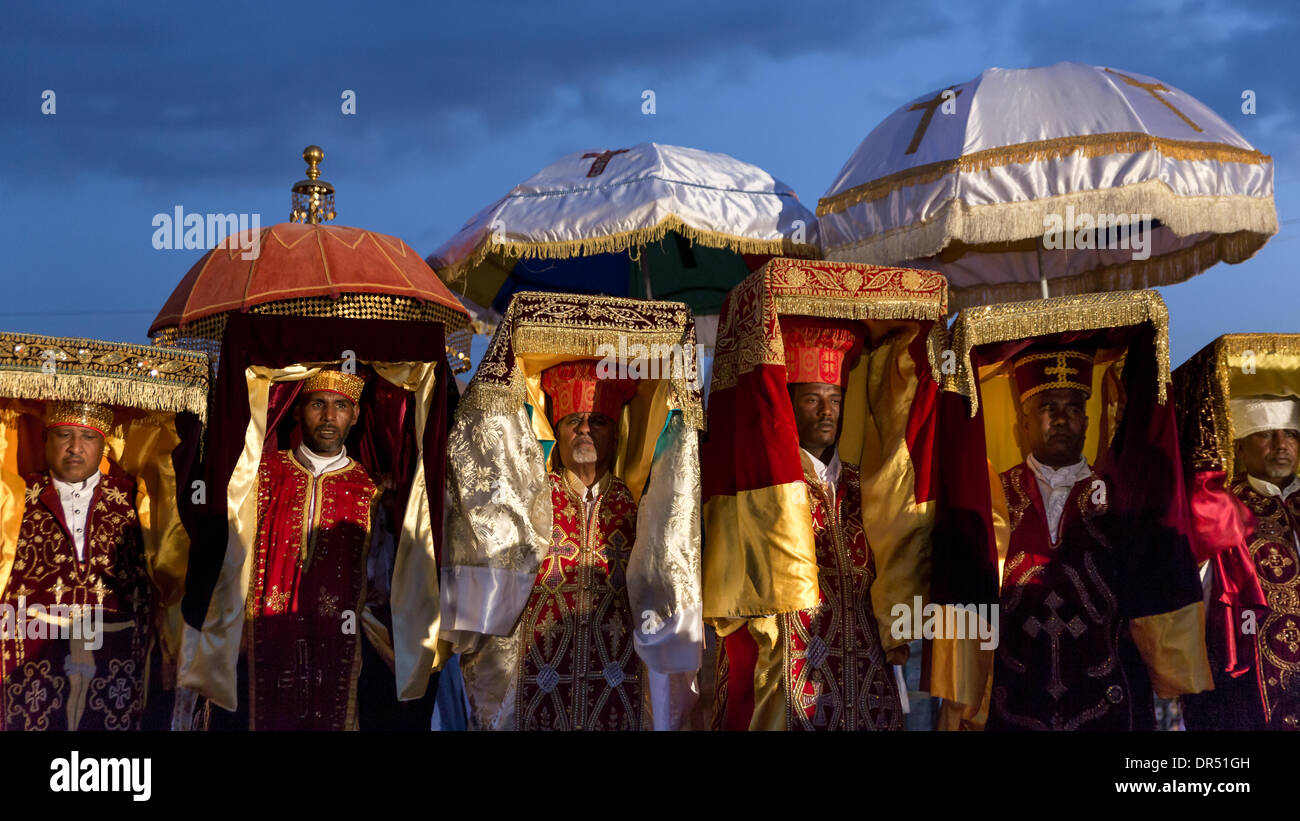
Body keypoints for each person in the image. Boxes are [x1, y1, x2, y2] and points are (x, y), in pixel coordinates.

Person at [988, 345, 1206, 730]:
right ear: (1023, 421)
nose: (1060, 419)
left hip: (1110, 702)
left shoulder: (1119, 498)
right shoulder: (994, 495)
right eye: (1047, 407)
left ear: (1087, 422)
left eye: (1073, 408)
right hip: (1014, 700)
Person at [713, 320, 903, 730]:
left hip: (868, 687)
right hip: (792, 684)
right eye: (813, 400)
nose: (826, 412)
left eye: (834, 399)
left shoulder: (864, 485)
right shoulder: (764, 491)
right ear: (788, 405)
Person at [236, 369, 378, 730]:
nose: (329, 417)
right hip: (258, 640)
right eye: (318, 404)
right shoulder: (260, 474)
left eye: (341, 406)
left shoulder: (371, 490)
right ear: (297, 410)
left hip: (339, 643)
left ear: (356, 415)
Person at [0, 401, 153, 730]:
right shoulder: (14, 498)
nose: (75, 448)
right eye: (64, 435)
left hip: (118, 659)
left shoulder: (134, 500)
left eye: (88, 437)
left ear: (104, 445)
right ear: (45, 440)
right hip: (28, 662)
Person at [1183, 396, 1300, 729]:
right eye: (1266, 434)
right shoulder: (1222, 508)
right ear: (1239, 448)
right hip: (1247, 676)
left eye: (1290, 434)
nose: (1281, 445)